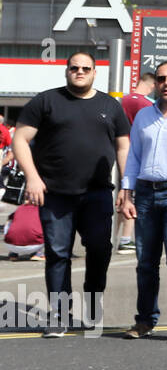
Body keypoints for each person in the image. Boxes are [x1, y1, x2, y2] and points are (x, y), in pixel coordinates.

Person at [12, 53, 130, 336]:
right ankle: (59, 316)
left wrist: (127, 188)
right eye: (74, 68)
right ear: (66, 70)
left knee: (100, 250)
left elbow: (123, 147)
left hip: (98, 194)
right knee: (57, 254)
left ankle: (91, 309)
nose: (79, 72)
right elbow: (19, 138)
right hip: (54, 195)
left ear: (94, 72)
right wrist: (33, 178)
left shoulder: (110, 106)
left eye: (85, 68)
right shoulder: (46, 101)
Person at [120, 63, 167, 342]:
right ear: (155, 84)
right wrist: (127, 194)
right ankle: (144, 320)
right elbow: (134, 156)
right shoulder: (143, 116)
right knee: (145, 262)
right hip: (146, 193)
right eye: (161, 79)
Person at [117, 73, 156, 251]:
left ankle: (114, 236)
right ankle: (126, 238)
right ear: (152, 85)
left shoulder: (122, 101)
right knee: (131, 196)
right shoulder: (147, 105)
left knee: (120, 196)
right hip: (135, 155)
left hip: (117, 150)